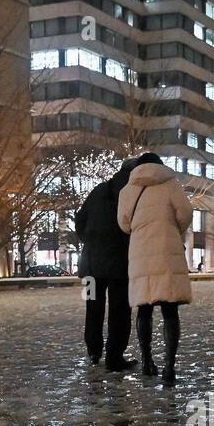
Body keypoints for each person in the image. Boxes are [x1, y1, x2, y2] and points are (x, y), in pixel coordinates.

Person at [118, 152, 192, 385]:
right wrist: (172, 227)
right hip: (167, 249)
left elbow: (124, 224)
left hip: (140, 252)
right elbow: (185, 214)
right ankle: (169, 366)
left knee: (144, 308)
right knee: (170, 310)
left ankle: (147, 361)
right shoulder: (171, 184)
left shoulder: (127, 190)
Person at [74, 158, 137, 370]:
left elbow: (80, 219)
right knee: (120, 311)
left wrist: (89, 241)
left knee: (92, 308)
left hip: (90, 266)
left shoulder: (99, 190)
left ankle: (93, 352)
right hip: (120, 266)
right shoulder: (133, 193)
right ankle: (114, 357)